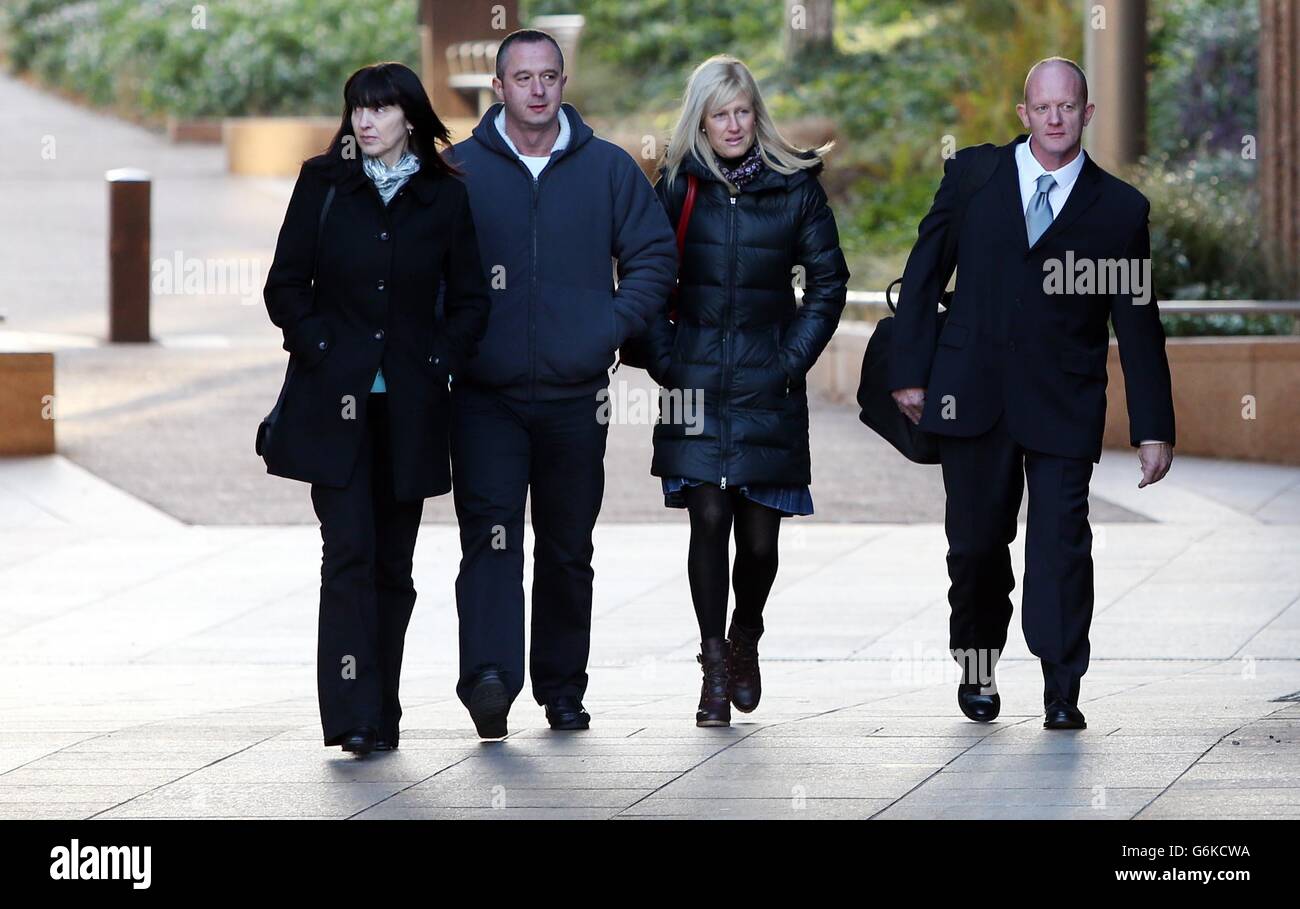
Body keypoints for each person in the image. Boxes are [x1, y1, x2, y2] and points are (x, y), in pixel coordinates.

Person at [889, 57, 1175, 730]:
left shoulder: (1120, 210)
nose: (1054, 118)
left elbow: (1137, 321)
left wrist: (1153, 426)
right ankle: (978, 666)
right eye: (1042, 107)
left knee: (1061, 546)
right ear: (1024, 113)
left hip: (1063, 401)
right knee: (976, 547)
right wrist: (910, 371)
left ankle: (1062, 686)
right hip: (971, 394)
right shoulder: (972, 177)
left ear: (1087, 113)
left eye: (1067, 107)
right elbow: (923, 273)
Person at [443, 29, 677, 738]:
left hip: (577, 396)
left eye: (548, 75)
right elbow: (429, 269)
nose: (537, 89)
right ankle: (489, 680)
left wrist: (608, 325)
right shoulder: (459, 171)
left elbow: (654, 254)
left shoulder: (607, 168)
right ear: (499, 88)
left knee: (568, 547)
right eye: (523, 77)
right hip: (485, 396)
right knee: (491, 540)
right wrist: (455, 343)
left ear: (563, 81)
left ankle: (562, 687)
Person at [262, 62, 490, 755]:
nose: (366, 120)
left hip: (411, 410)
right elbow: (284, 286)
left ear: (410, 118)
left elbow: (472, 298)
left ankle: (381, 705)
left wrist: (439, 360)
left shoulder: (444, 196)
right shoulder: (324, 182)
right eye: (358, 107)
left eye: (382, 108)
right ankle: (352, 715)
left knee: (393, 565)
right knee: (348, 552)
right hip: (334, 405)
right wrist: (319, 344)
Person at [629, 55, 850, 727]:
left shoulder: (795, 188)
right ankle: (714, 665)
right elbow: (644, 272)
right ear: (700, 119)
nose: (732, 125)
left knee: (758, 542)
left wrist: (789, 361)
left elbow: (828, 282)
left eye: (742, 112)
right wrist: (666, 358)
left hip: (767, 384)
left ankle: (745, 633)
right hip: (693, 382)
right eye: (719, 113)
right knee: (708, 521)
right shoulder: (676, 186)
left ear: (757, 115)